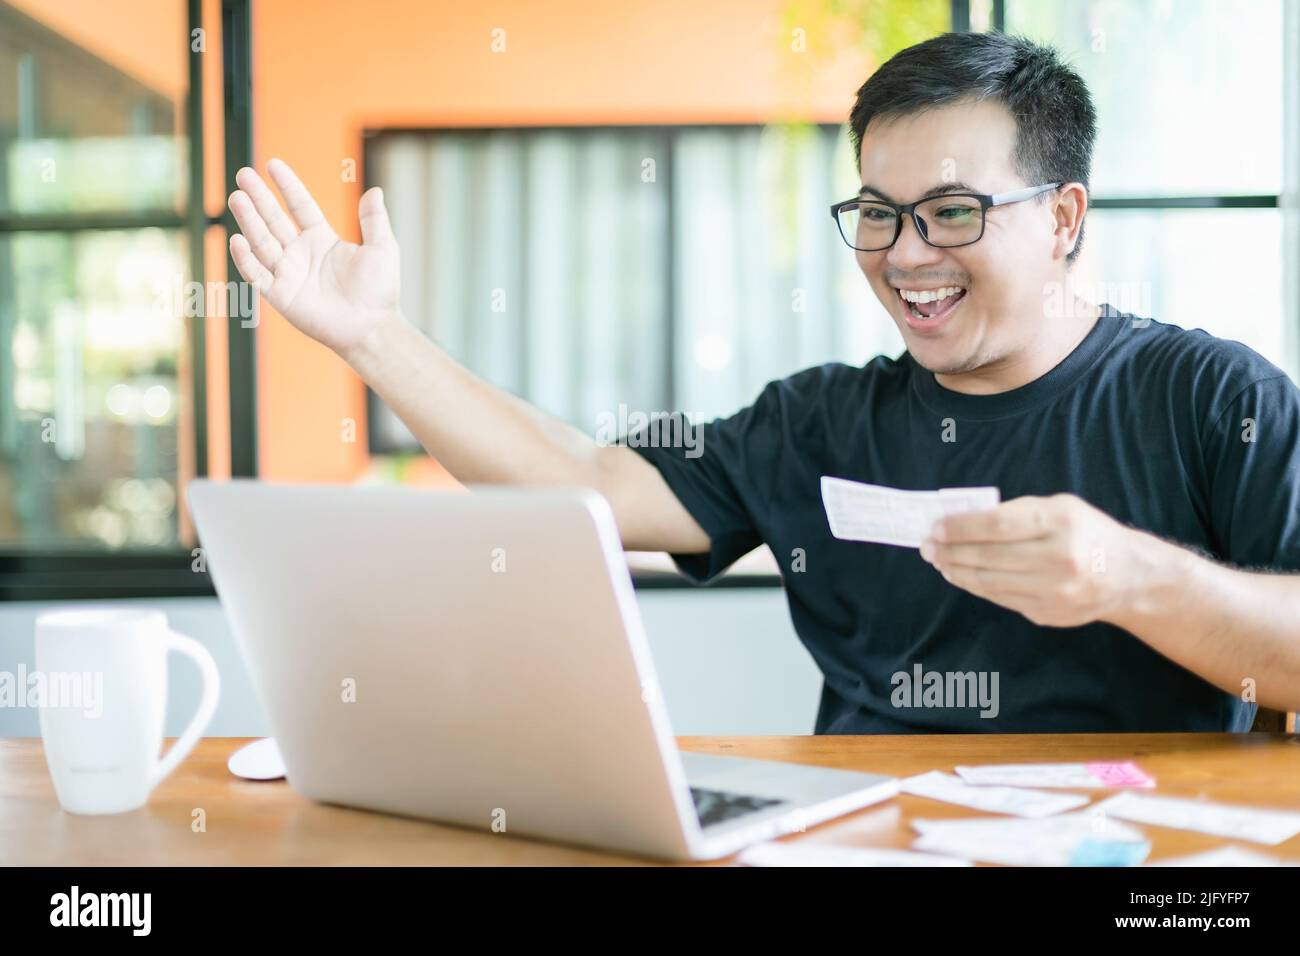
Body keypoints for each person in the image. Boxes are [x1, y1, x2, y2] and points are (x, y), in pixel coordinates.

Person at [225, 31, 1300, 734]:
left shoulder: (1213, 399)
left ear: (1062, 217)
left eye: (953, 210)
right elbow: (583, 483)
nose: (906, 253)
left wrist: (1128, 576)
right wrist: (374, 338)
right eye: (876, 212)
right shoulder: (822, 419)